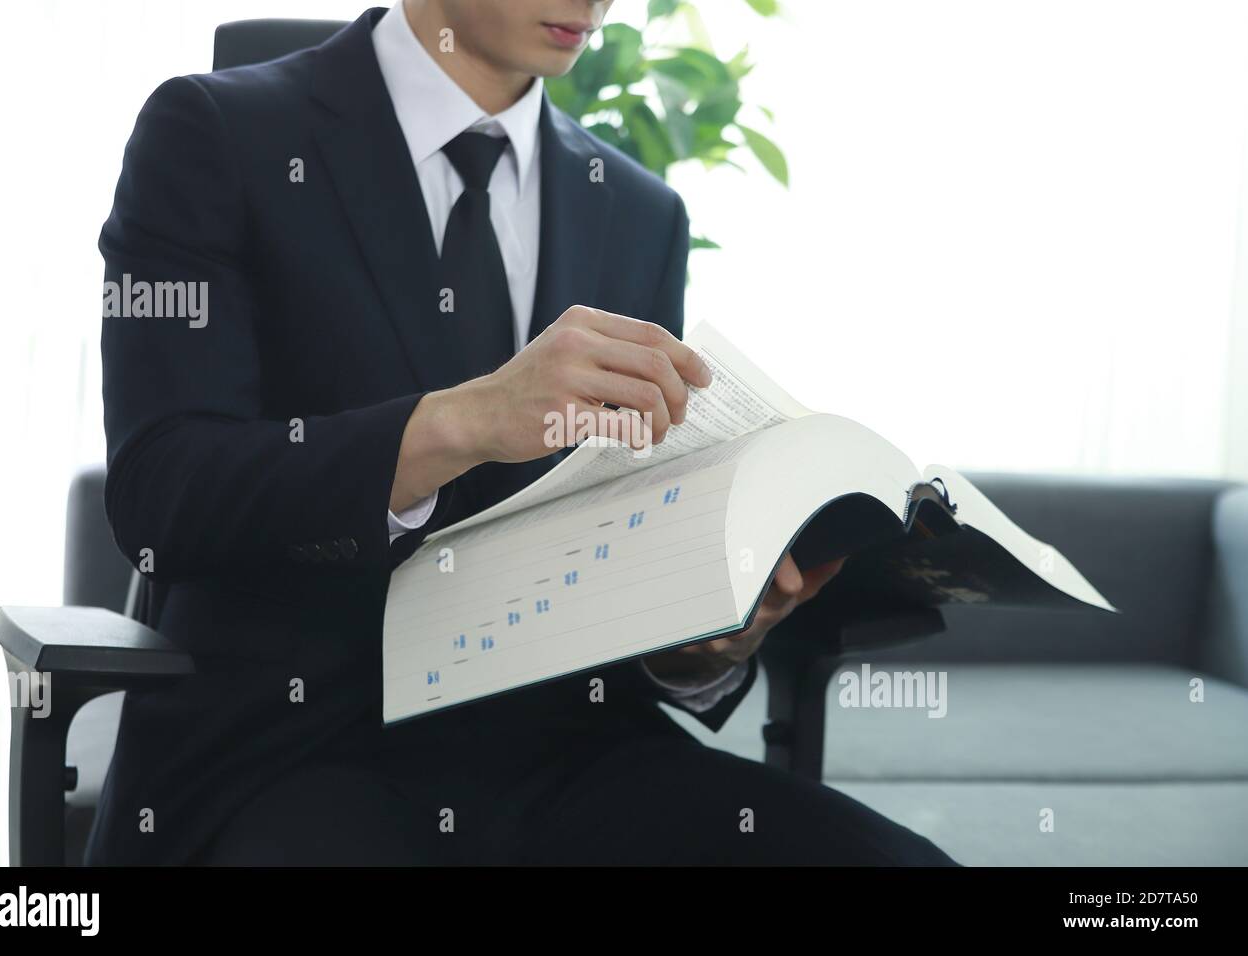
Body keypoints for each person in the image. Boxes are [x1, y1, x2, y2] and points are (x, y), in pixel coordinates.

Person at [90, 0, 955, 865]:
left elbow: (614, 530)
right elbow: (161, 488)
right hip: (292, 752)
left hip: (568, 749)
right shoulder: (216, 133)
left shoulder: (640, 212)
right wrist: (465, 421)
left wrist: (700, 645)